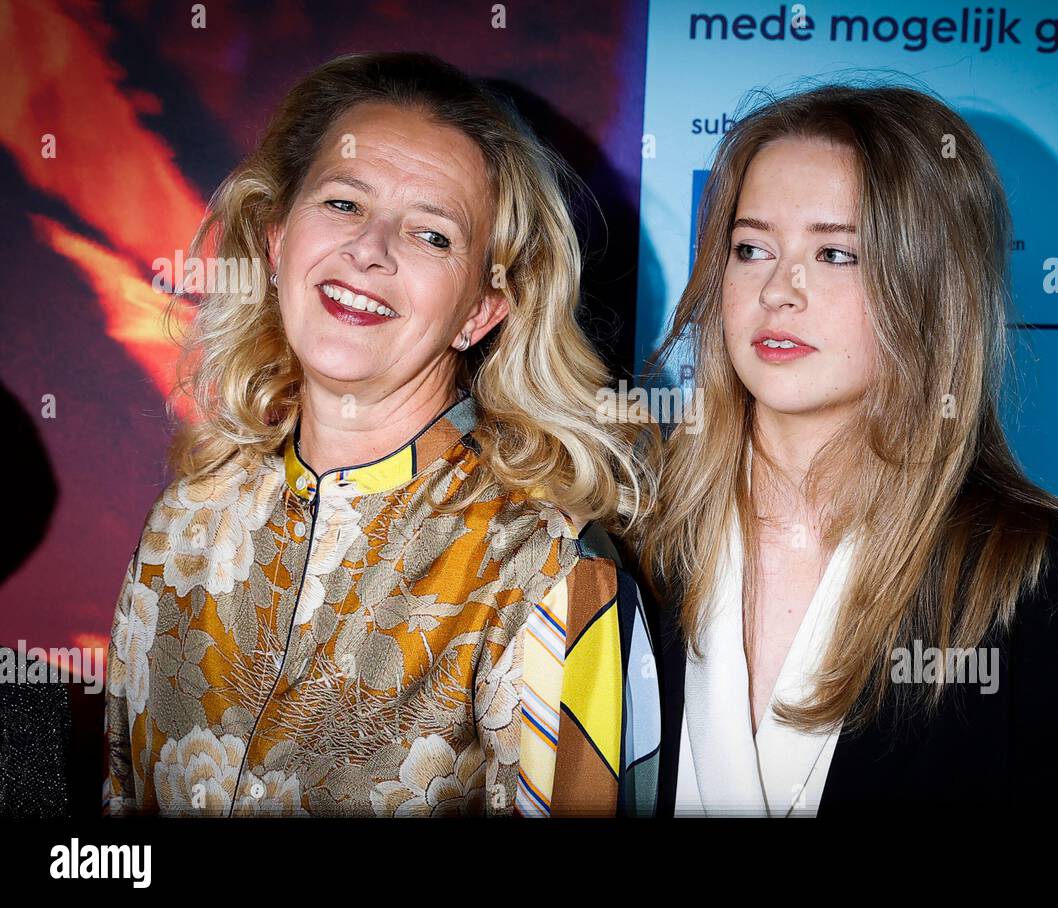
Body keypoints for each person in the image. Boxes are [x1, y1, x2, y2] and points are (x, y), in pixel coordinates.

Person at [103, 52, 660, 817]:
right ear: (276, 243)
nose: (370, 249)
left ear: (481, 312)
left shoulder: (548, 573)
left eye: (433, 235)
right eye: (342, 203)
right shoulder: (183, 525)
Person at [638, 83, 1058, 817]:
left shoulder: (1048, 578)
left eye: (836, 252)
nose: (780, 289)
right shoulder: (626, 534)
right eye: (751, 248)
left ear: (932, 291)